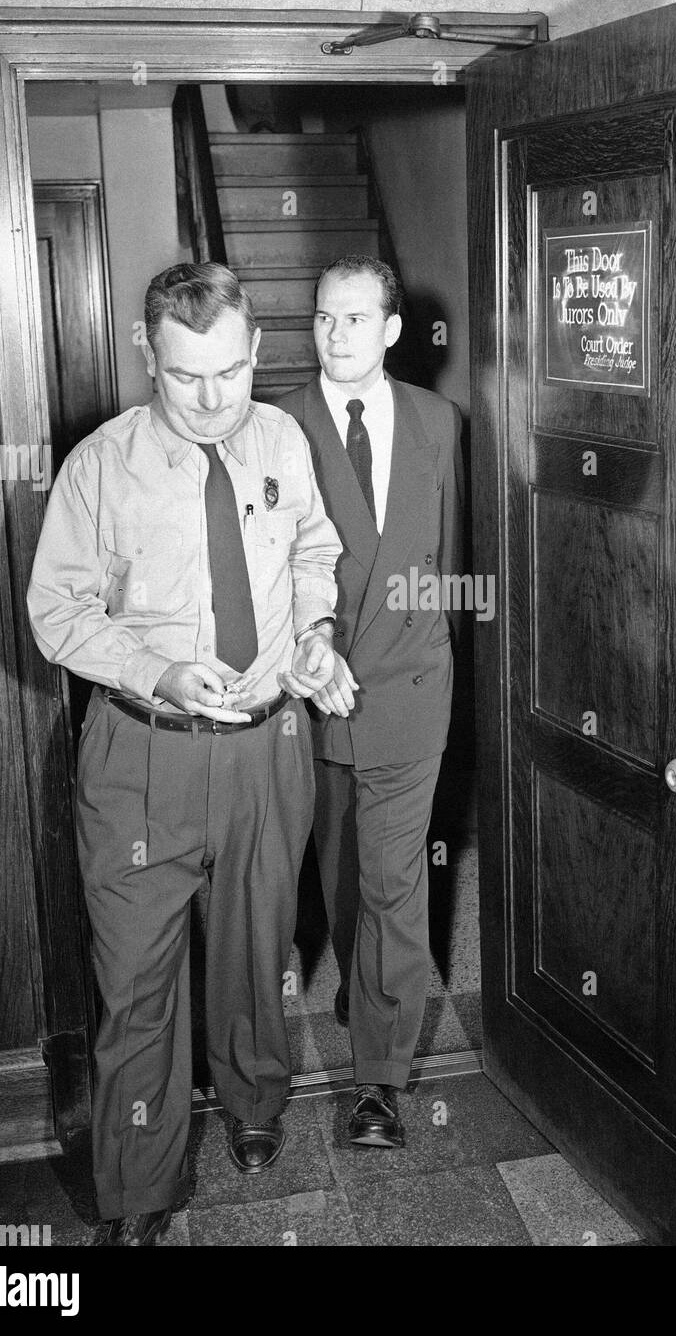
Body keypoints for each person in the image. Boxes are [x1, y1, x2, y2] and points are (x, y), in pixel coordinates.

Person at [27, 262, 354, 1245]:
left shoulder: (282, 440)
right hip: (142, 757)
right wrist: (152, 667)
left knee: (258, 944)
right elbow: (56, 609)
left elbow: (312, 551)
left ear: (255, 351)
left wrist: (316, 631)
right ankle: (137, 1188)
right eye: (183, 377)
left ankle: (255, 1100)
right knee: (136, 981)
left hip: (266, 751)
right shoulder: (99, 466)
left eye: (230, 373)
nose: (212, 401)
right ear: (146, 355)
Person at [277, 256, 463, 1148]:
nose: (336, 333)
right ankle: (358, 980)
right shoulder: (273, 424)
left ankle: (378, 1082)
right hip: (309, 697)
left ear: (393, 330)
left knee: (392, 885)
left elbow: (453, 564)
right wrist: (302, 654)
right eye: (323, 317)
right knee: (337, 876)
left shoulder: (439, 423)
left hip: (408, 694)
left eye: (356, 319)